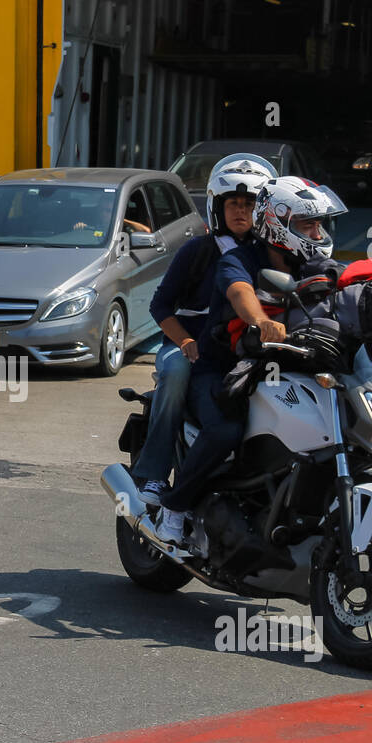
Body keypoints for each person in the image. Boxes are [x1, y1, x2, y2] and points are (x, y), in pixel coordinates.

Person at [153, 175, 348, 549]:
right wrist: (260, 321)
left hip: (285, 369)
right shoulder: (238, 259)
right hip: (220, 369)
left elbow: (347, 290)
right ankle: (174, 509)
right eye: (308, 223)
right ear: (280, 223)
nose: (317, 231)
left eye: (319, 223)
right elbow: (240, 291)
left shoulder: (314, 263)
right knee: (227, 430)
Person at [132, 154, 277, 505]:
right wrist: (185, 341)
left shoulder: (270, 253)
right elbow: (160, 306)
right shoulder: (197, 250)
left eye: (249, 204)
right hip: (191, 347)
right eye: (233, 204)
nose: (241, 211)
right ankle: (153, 476)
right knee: (178, 371)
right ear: (217, 207)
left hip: (245, 349)